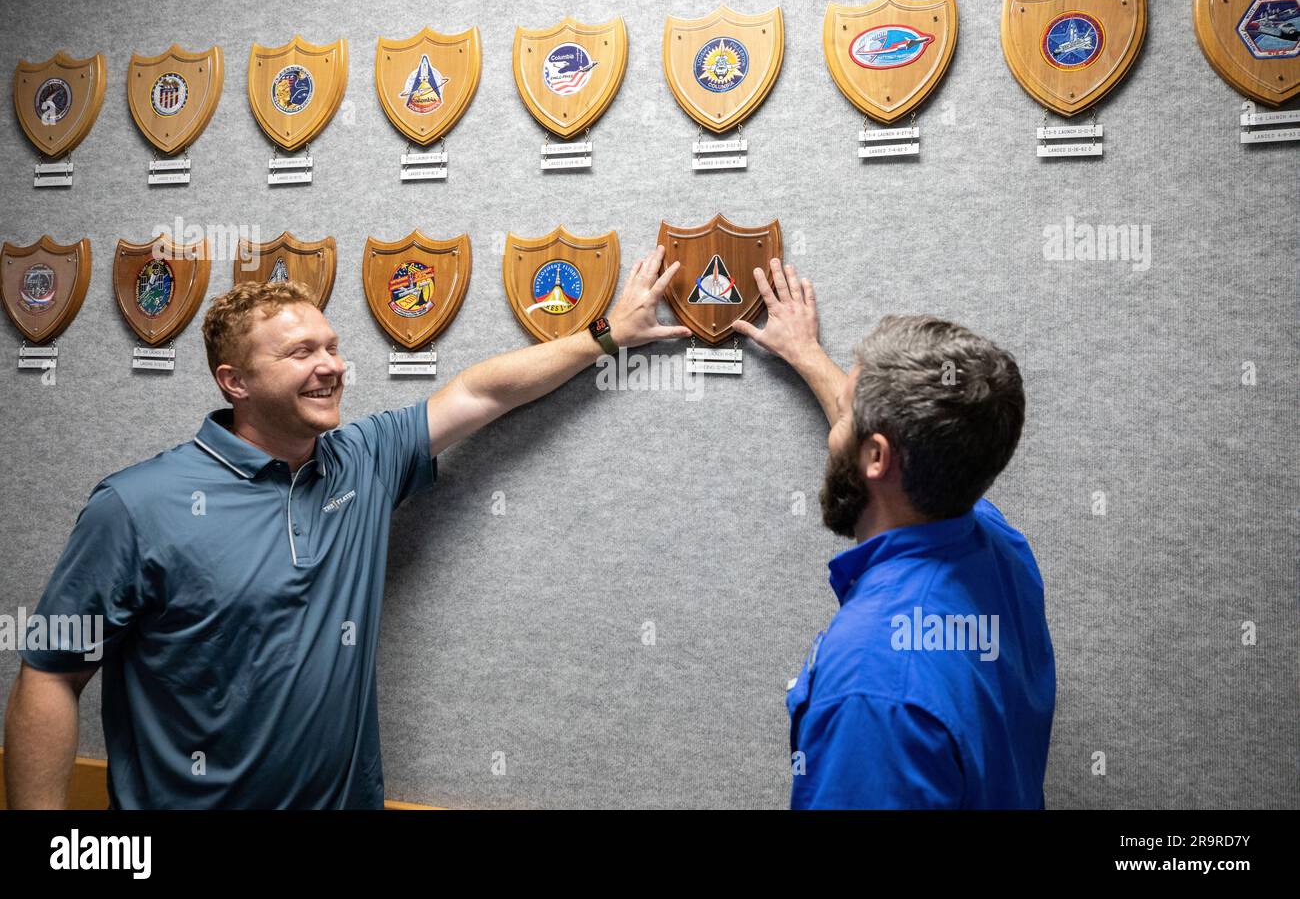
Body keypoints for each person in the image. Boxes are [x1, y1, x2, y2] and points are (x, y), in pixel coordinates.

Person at [4, 245, 691, 808]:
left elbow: (481, 392)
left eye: (331, 347)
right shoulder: (136, 506)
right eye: (301, 353)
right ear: (234, 382)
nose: (331, 366)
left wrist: (604, 336)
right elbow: (51, 673)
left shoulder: (362, 460)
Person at [734, 258, 1055, 808]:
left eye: (845, 418)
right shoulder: (998, 544)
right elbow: (902, 436)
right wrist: (807, 355)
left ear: (877, 457)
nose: (837, 423)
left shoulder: (874, 686)